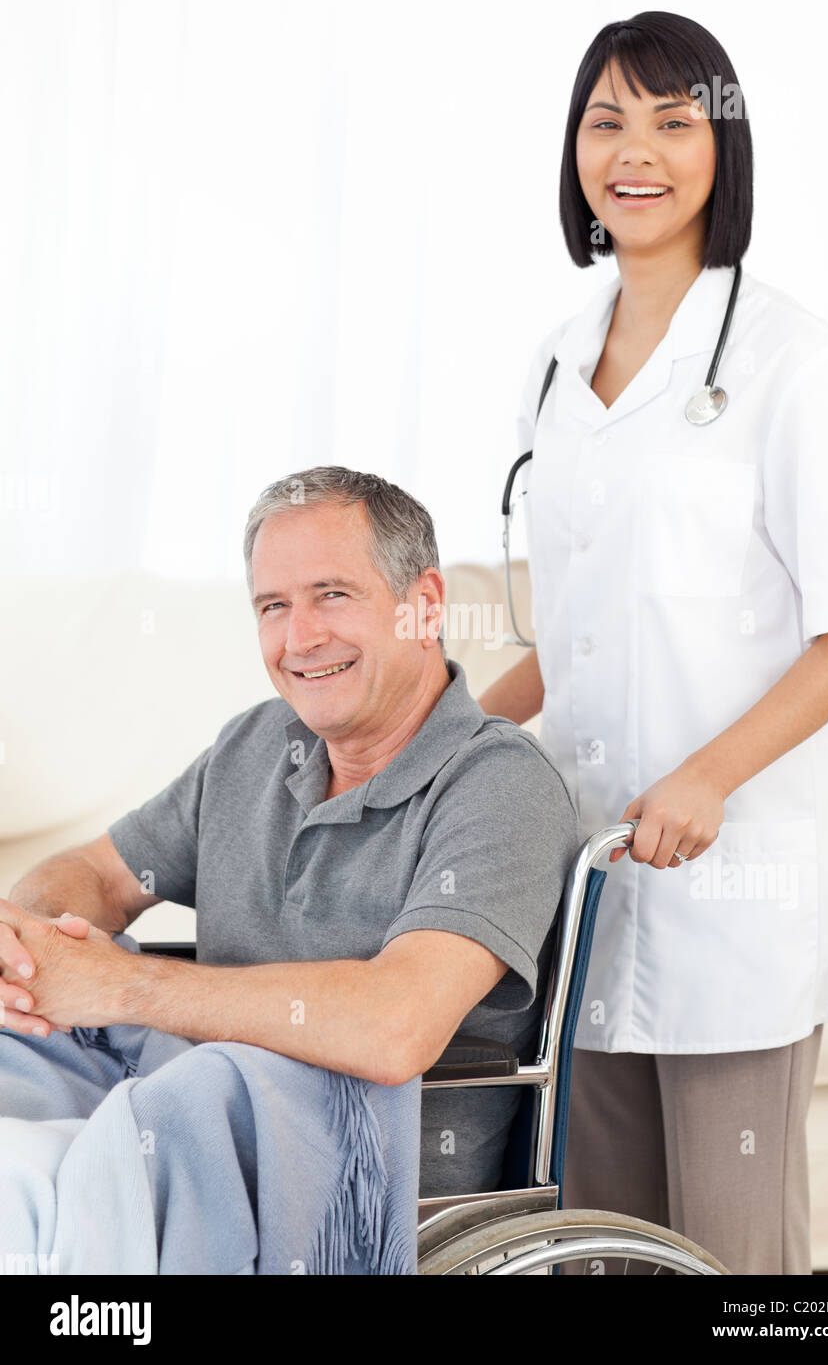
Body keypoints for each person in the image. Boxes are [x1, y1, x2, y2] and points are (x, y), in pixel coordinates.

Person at [480, 11, 828, 1275]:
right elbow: (568, 630)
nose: (635, 150)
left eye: (673, 119)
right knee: (600, 1246)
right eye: (606, 120)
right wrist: (436, 746)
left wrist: (710, 774)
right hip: (592, 874)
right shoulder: (556, 361)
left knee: (732, 1254)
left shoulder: (795, 363)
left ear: (725, 149)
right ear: (574, 153)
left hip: (737, 888)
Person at [0, 466, 581, 1219]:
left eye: (332, 595)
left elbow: (394, 1023)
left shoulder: (498, 784)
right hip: (186, 1109)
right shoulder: (258, 745)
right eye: (273, 606)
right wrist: (31, 947)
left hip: (357, 1169)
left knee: (34, 1190)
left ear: (423, 605)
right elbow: (96, 876)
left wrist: (124, 985)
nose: (299, 638)